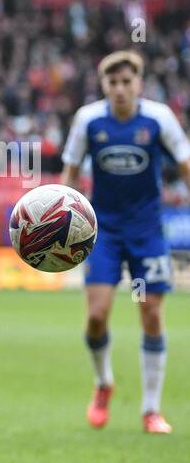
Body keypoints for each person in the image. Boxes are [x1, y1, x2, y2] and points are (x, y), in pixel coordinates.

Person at [61, 50, 190, 434]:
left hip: (147, 231)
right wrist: (59, 222)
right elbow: (69, 175)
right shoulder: (88, 120)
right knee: (97, 316)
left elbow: (185, 164)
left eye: (126, 82)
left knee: (150, 311)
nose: (120, 89)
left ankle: (151, 410)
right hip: (102, 232)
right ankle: (103, 383)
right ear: (104, 87)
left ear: (138, 84)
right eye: (112, 83)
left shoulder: (158, 118)